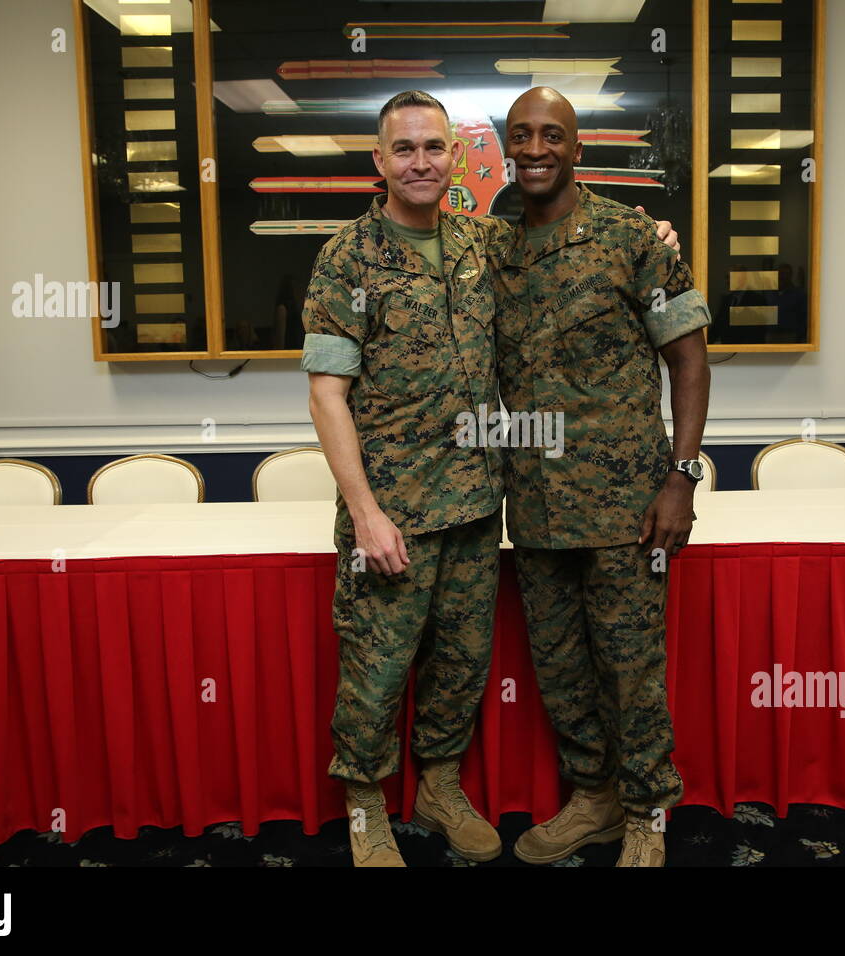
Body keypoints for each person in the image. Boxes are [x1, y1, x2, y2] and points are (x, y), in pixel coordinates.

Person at [301, 89, 683, 867]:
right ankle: (367, 809)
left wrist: (655, 236)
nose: (419, 162)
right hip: (394, 512)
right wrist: (365, 512)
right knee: (375, 672)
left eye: (433, 148)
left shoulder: (487, 245)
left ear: (456, 158)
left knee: (460, 668)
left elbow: (584, 247)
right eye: (403, 149)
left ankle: (439, 786)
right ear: (379, 161)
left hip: (478, 504)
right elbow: (325, 392)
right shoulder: (347, 258)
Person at [492, 87, 712, 867]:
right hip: (536, 505)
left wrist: (681, 478)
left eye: (553, 135)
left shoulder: (632, 237)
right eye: (522, 135)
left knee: (630, 666)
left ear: (578, 148)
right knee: (559, 666)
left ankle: (649, 811)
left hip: (627, 507)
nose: (536, 148)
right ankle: (594, 797)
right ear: (507, 146)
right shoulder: (492, 248)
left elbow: (687, 358)